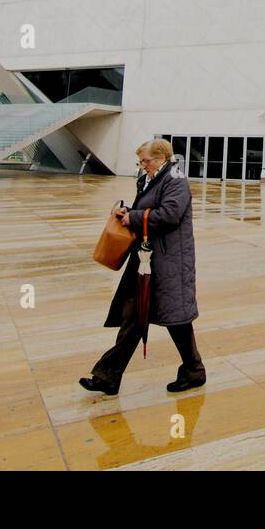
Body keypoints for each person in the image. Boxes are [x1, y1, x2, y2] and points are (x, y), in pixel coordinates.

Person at [80, 139, 205, 395]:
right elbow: (148, 209)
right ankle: (108, 377)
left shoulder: (175, 180)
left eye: (146, 160)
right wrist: (130, 212)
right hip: (147, 259)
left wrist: (134, 217)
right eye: (141, 161)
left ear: (162, 157)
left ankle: (194, 370)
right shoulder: (150, 178)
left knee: (176, 320)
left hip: (169, 262)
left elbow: (170, 215)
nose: (142, 165)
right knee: (134, 316)